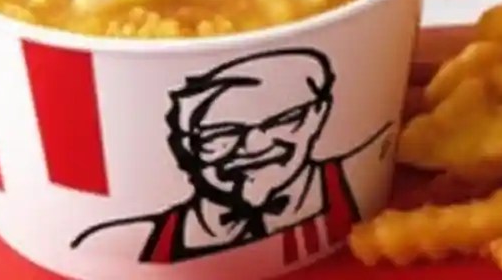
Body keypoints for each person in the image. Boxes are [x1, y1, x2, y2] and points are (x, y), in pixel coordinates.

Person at [72, 48, 391, 265]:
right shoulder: (122, 242)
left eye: (283, 120)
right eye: (221, 134)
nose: (255, 145)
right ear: (185, 146)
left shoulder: (368, 167)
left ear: (318, 116)